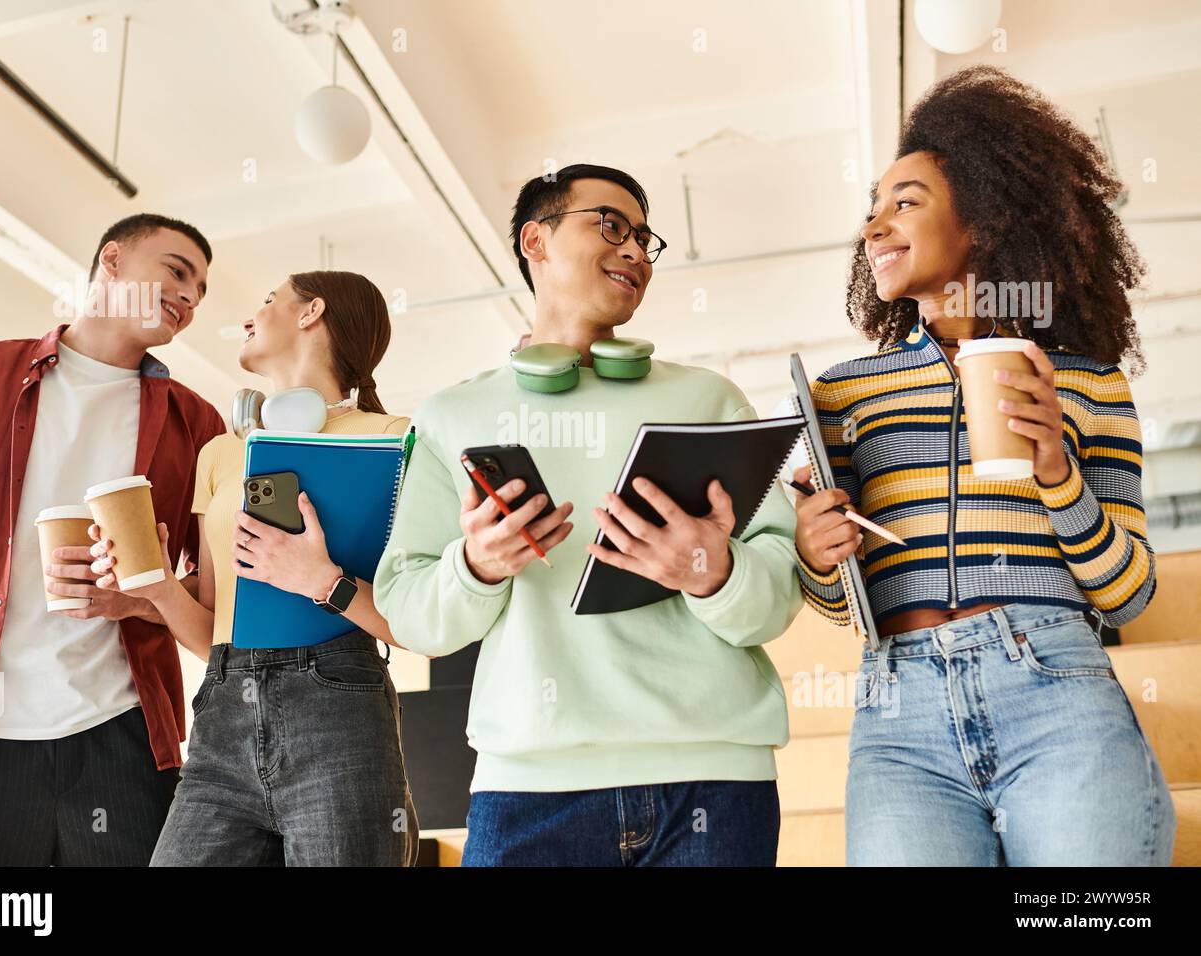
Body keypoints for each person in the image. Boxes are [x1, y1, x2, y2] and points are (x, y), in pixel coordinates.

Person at [793, 66, 1175, 866]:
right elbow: (840, 600)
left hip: (1055, 684)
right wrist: (818, 555)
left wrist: (1057, 476)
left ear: (983, 220)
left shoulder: (1088, 384)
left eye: (905, 202)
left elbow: (1129, 590)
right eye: (871, 209)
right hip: (897, 710)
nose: (874, 227)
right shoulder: (844, 393)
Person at [374, 164, 802, 867]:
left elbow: (775, 603)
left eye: (643, 238)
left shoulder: (709, 401)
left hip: (713, 781)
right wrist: (476, 567)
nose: (634, 249)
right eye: (610, 224)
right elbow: (415, 617)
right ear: (534, 241)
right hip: (527, 790)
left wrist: (709, 570)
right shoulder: (451, 416)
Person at [0, 214, 224, 865]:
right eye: (177, 272)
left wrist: (135, 600)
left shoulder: (197, 422)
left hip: (123, 740)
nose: (189, 298)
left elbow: (217, 597)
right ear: (112, 260)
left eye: (200, 292)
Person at [92, 270, 418, 866]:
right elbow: (215, 623)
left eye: (269, 300)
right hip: (222, 709)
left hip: (339, 712)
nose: (248, 316)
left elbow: (418, 625)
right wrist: (161, 590)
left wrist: (323, 581)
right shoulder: (219, 454)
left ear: (310, 312)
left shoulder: (393, 440)